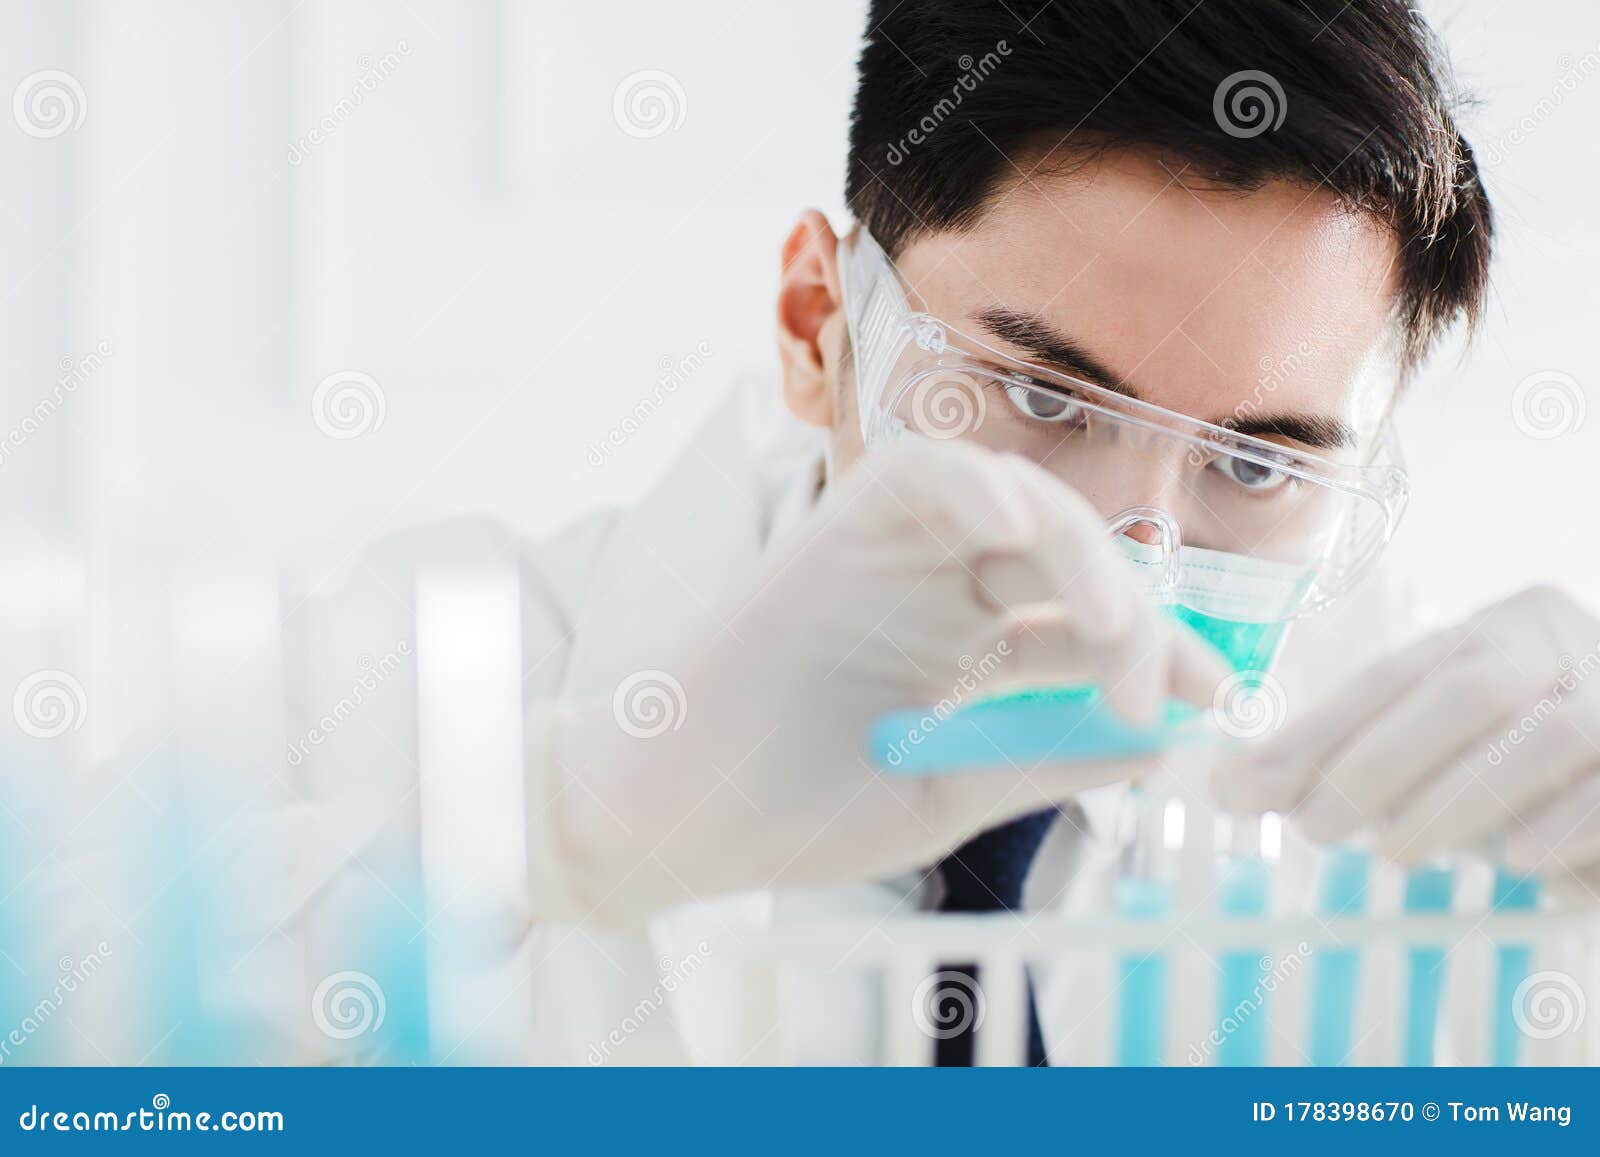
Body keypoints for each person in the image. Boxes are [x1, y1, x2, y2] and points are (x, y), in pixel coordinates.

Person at [298, 0, 1599, 1065]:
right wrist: (562, 837)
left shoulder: (1449, 786)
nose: (1128, 554)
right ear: (821, 326)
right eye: (1042, 398)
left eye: (1257, 466)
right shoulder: (437, 665)